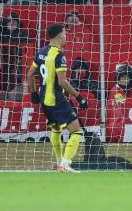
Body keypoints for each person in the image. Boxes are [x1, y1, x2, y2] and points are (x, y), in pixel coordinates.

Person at [25, 23, 88, 173]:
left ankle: (60, 163)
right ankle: (66, 163)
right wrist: (79, 97)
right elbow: (62, 82)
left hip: (44, 99)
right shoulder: (59, 55)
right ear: (60, 35)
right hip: (56, 99)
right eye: (65, 34)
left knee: (56, 128)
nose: (66, 36)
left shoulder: (41, 52)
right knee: (77, 131)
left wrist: (34, 93)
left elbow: (29, 74)